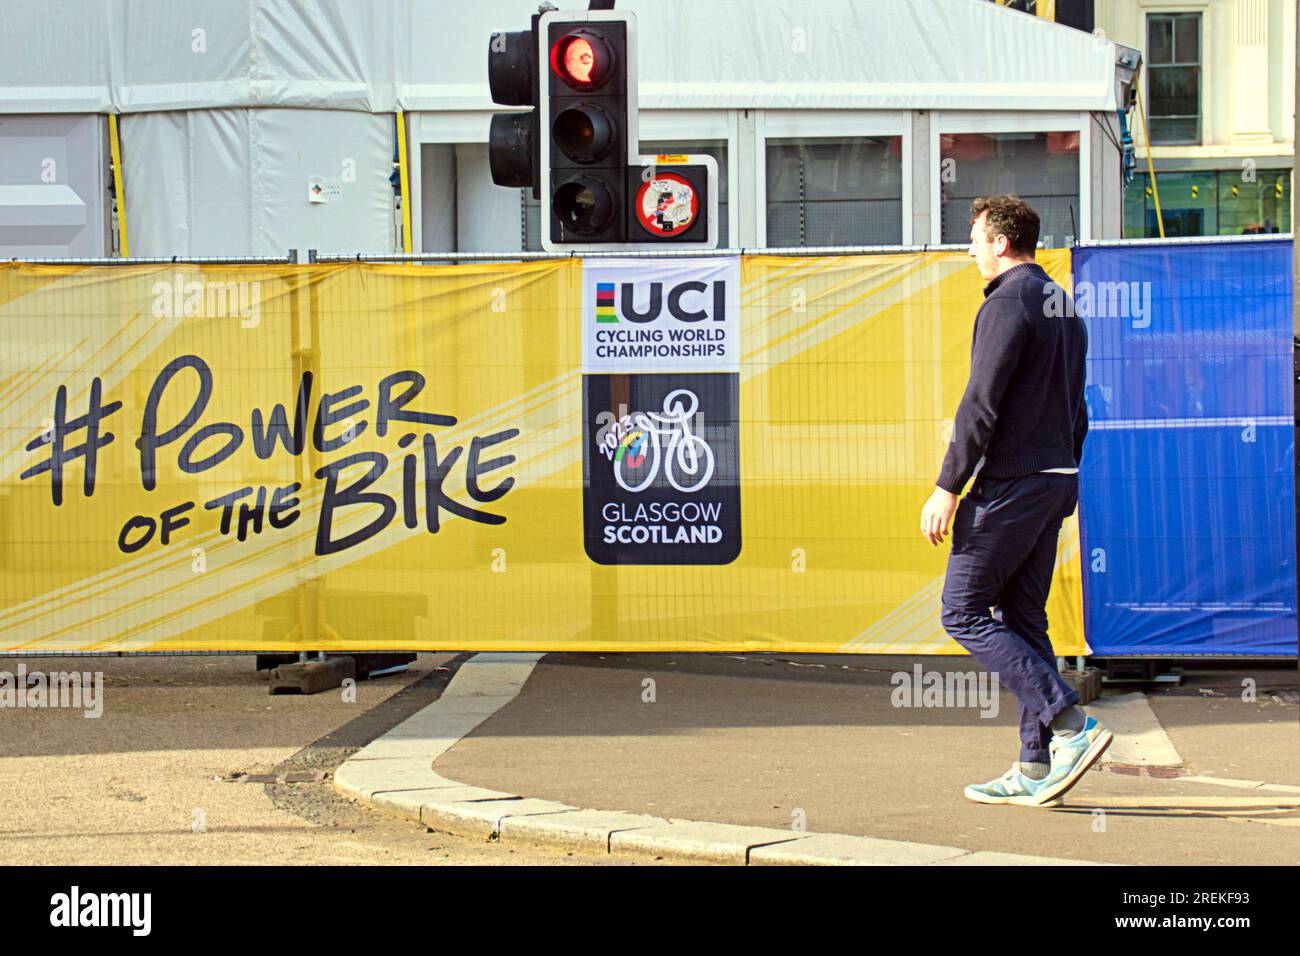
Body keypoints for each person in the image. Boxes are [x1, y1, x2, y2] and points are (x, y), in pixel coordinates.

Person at [918, 195, 1112, 807]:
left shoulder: (1007, 302)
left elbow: (981, 403)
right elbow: (1078, 409)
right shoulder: (1062, 305)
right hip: (1055, 479)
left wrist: (948, 487)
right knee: (1026, 620)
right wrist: (1062, 472)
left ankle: (1071, 724)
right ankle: (1033, 767)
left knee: (963, 611)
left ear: (1001, 243)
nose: (969, 249)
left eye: (974, 239)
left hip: (1013, 484)